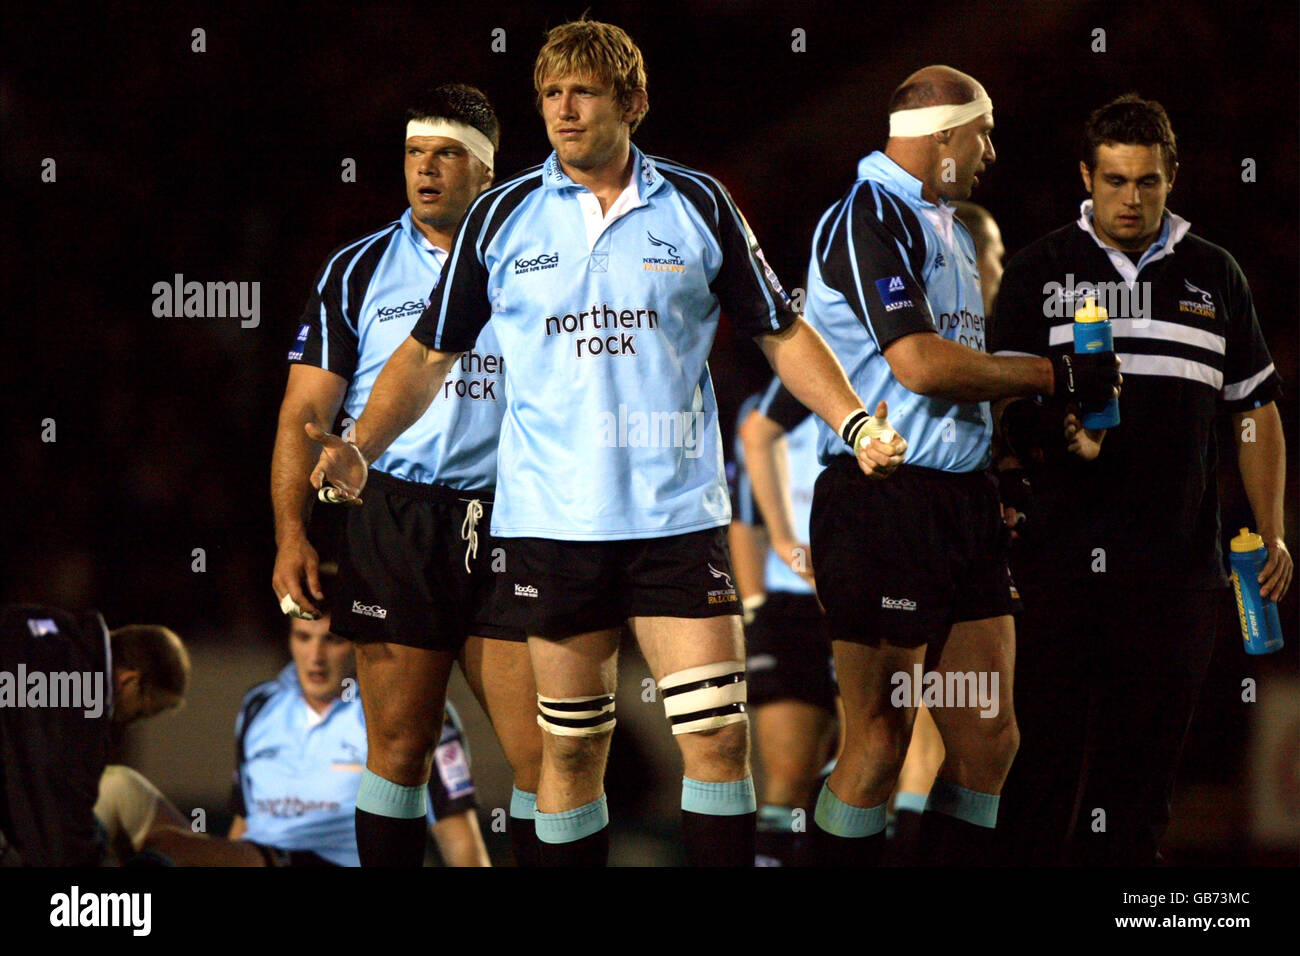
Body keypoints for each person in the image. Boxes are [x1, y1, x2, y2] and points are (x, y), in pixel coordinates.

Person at [309, 17, 909, 867]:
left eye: (582, 92)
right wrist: (360, 444)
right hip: (551, 527)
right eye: (550, 94)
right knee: (572, 754)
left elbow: (780, 329)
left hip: (675, 521)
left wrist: (853, 419)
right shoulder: (502, 217)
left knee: (717, 744)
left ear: (632, 101)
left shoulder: (700, 204)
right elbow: (426, 354)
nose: (563, 110)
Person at [797, 65, 1120, 866]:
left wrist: (1017, 435)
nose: (991, 150)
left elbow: (963, 372)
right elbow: (918, 364)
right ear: (943, 135)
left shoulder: (947, 225)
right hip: (884, 502)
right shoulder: (868, 214)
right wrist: (1053, 374)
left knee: (988, 741)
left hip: (963, 504)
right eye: (984, 132)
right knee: (877, 741)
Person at [989, 94, 1291, 866]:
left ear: (1173, 177)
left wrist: (1273, 528)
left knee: (1141, 791)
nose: (1131, 198)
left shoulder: (1215, 274)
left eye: (1148, 182)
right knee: (1040, 776)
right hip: (1057, 569)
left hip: (1178, 574)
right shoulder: (1036, 271)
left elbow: (1253, 409)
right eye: (1116, 180)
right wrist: (1054, 441)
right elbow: (994, 409)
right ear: (1085, 177)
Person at [270, 84, 542, 867]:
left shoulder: (536, 260)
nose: (426, 170)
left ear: (485, 172)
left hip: (516, 516)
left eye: (448, 153)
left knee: (543, 751)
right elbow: (301, 416)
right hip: (395, 516)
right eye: (415, 153)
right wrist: (292, 531)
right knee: (399, 744)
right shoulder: (357, 270)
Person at [228, 597, 489, 867]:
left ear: (358, 644)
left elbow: (460, 841)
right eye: (303, 637)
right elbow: (242, 824)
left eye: (332, 640)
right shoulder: (259, 706)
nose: (315, 656)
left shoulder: (407, 709)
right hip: (258, 856)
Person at [0, 606, 189, 865]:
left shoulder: (44, 623)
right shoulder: (81, 720)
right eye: (140, 714)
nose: (128, 725)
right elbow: (61, 849)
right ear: (130, 681)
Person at [738, 377, 837, 866]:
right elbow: (743, 518)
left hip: (863, 602)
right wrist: (756, 610)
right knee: (791, 771)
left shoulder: (889, 390)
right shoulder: (765, 409)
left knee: (869, 763)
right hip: (789, 608)